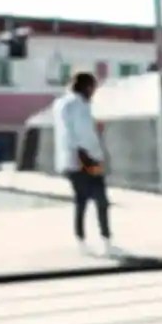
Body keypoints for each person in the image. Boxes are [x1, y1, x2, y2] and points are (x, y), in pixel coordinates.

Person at [53, 71, 118, 257]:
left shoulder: (61, 104)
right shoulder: (79, 105)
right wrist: (97, 154)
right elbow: (84, 134)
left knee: (80, 201)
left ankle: (81, 241)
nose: (94, 91)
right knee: (101, 200)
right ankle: (106, 241)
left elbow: (67, 132)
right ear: (87, 87)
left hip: (69, 160)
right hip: (86, 159)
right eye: (93, 87)